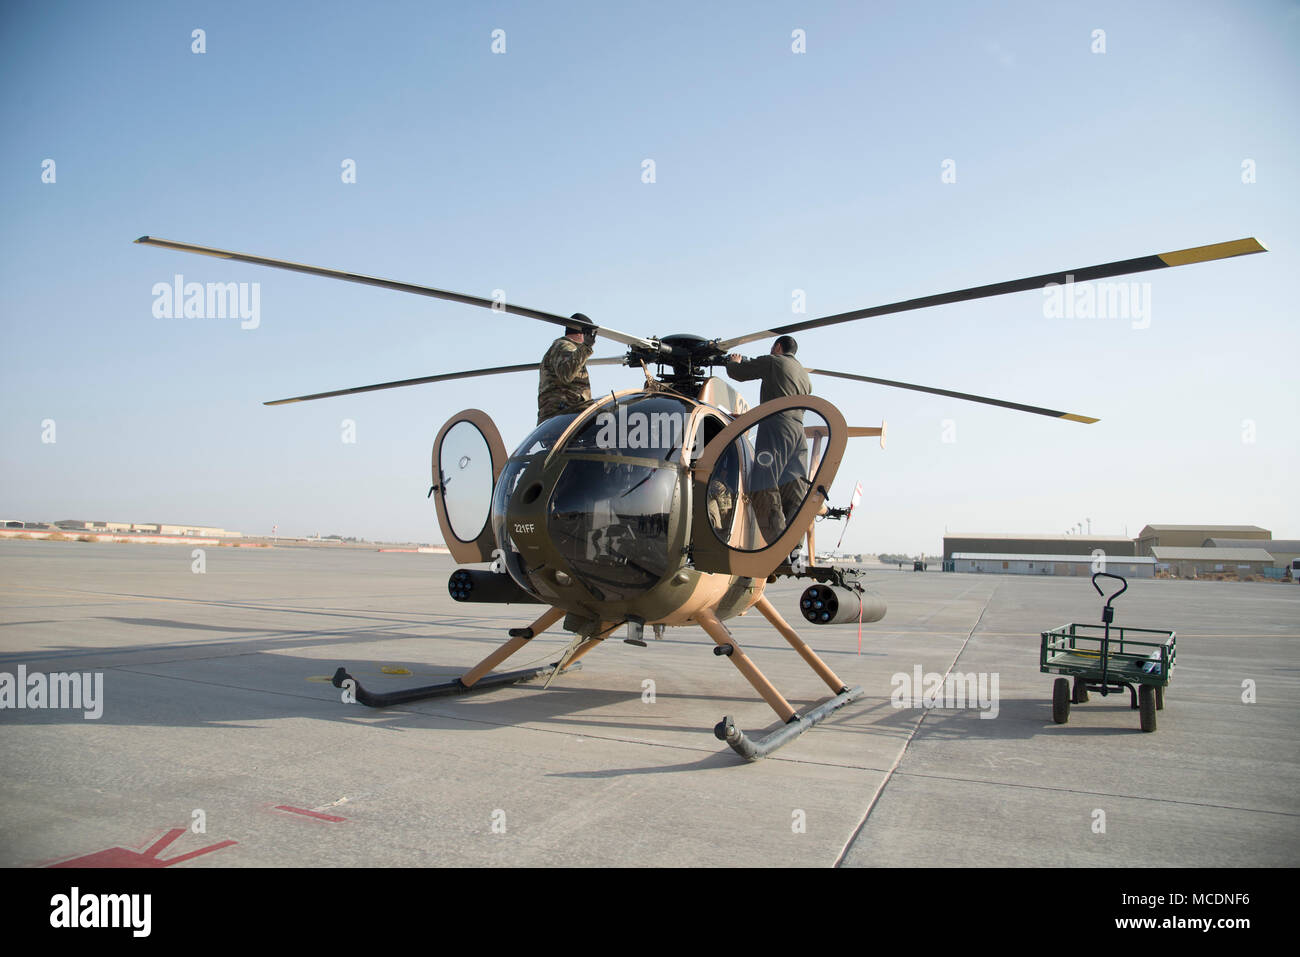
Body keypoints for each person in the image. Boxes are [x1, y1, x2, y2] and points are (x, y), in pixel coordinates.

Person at [724, 336, 812, 544]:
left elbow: (739, 373)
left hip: (776, 427)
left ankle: (776, 545)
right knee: (794, 489)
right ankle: (794, 546)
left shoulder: (774, 361)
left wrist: (733, 362)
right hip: (799, 433)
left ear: (778, 347)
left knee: (763, 483)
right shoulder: (804, 377)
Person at [537, 314, 597, 425]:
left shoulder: (563, 348)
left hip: (561, 417)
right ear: (582, 333)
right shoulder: (565, 346)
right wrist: (586, 347)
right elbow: (566, 374)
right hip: (565, 413)